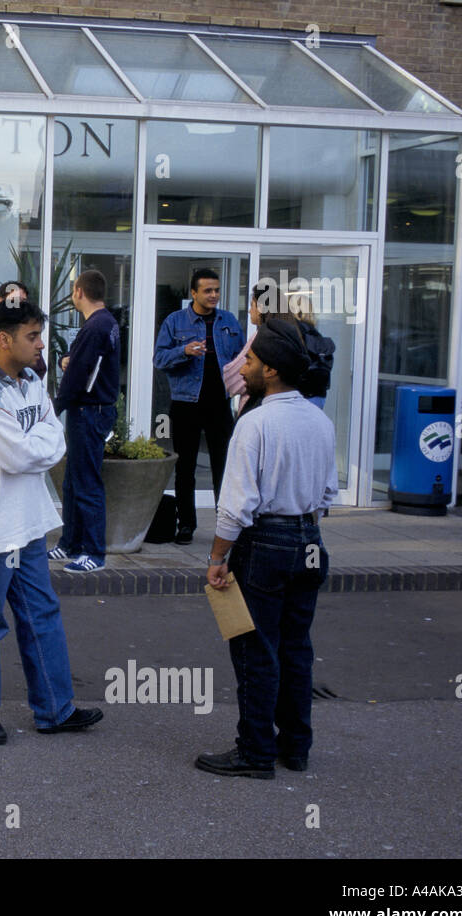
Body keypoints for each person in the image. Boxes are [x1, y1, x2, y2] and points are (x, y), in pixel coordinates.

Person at [0, 299, 104, 745]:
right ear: (4, 340)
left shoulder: (34, 380)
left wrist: (36, 440)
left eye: (40, 335)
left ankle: (55, 710)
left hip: (29, 523)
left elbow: (54, 439)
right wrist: (37, 439)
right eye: (32, 337)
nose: (41, 345)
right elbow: (17, 455)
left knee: (42, 616)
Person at [198, 319, 338, 779]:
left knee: (256, 650)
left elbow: (235, 507)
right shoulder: (320, 421)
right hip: (309, 541)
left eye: (253, 362)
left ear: (272, 371)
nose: (246, 369)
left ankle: (255, 752)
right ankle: (295, 747)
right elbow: (327, 495)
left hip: (264, 544)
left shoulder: (254, 423)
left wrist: (218, 559)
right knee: (296, 649)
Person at [153, 267, 244, 545]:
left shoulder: (228, 321)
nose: (214, 295)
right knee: (186, 469)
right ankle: (186, 525)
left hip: (220, 405)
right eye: (207, 290)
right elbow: (159, 359)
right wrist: (184, 351)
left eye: (216, 290)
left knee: (224, 468)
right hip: (186, 404)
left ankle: (225, 526)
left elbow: (242, 358)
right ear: (193, 293)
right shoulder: (175, 321)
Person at [49, 270, 120, 573]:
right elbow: (88, 366)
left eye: (72, 290)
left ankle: (93, 552)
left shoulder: (96, 327)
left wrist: (57, 405)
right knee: (73, 480)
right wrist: (71, 361)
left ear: (79, 291)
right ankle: (71, 543)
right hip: (92, 410)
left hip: (88, 412)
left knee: (86, 482)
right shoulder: (105, 324)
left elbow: (81, 376)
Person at [223, 286, 336, 417]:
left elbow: (233, 380)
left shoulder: (264, 337)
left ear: (261, 309)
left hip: (263, 407)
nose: (249, 311)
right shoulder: (294, 332)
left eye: (252, 305)